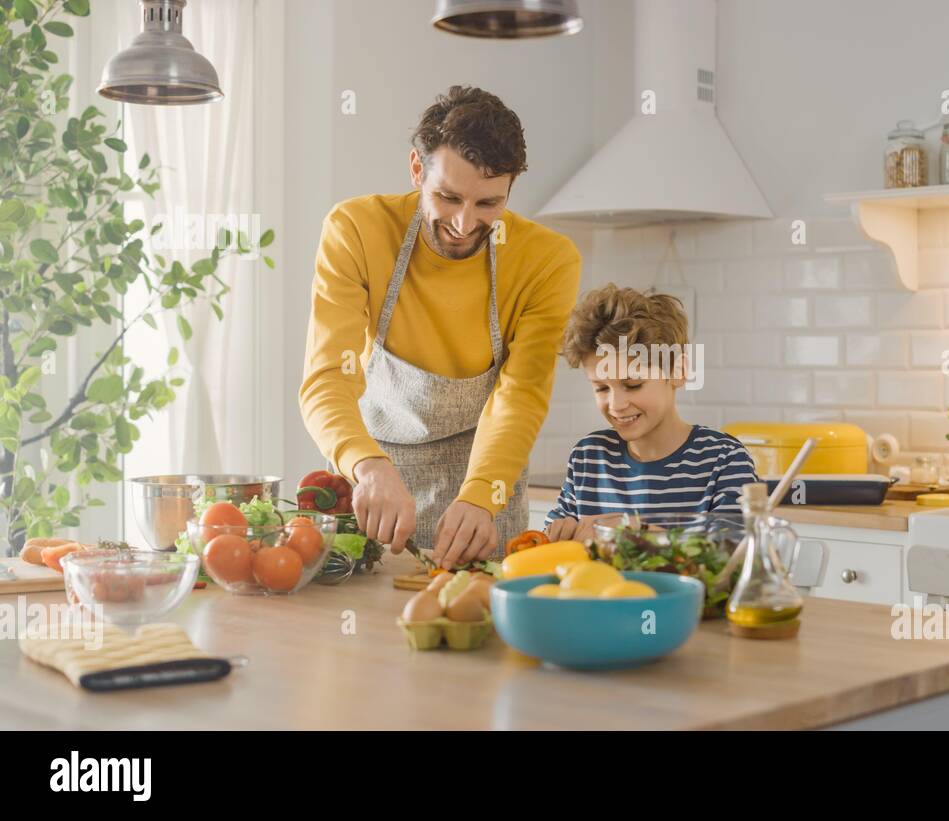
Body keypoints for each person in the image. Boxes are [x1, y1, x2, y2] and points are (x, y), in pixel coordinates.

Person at [300, 86, 580, 566]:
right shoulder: (356, 229)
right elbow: (329, 376)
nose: (464, 223)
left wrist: (479, 497)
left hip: (484, 484)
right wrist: (366, 467)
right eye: (447, 197)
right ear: (416, 169)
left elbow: (521, 393)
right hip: (374, 475)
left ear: (511, 189)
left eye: (489, 204)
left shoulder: (548, 260)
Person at [543, 285, 757, 542]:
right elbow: (555, 543)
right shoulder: (588, 459)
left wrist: (634, 531)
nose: (616, 405)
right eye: (601, 388)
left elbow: (735, 556)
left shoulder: (724, 459)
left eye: (633, 385)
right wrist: (555, 537)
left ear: (678, 371)